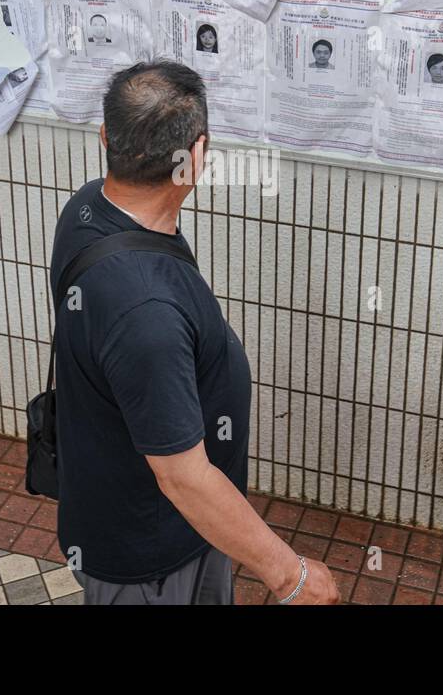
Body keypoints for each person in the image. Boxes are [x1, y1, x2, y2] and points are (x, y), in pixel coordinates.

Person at [51, 60, 340, 605]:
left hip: (169, 527)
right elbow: (182, 476)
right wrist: (290, 576)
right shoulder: (145, 313)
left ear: (106, 137)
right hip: (149, 557)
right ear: (196, 157)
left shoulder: (88, 208)